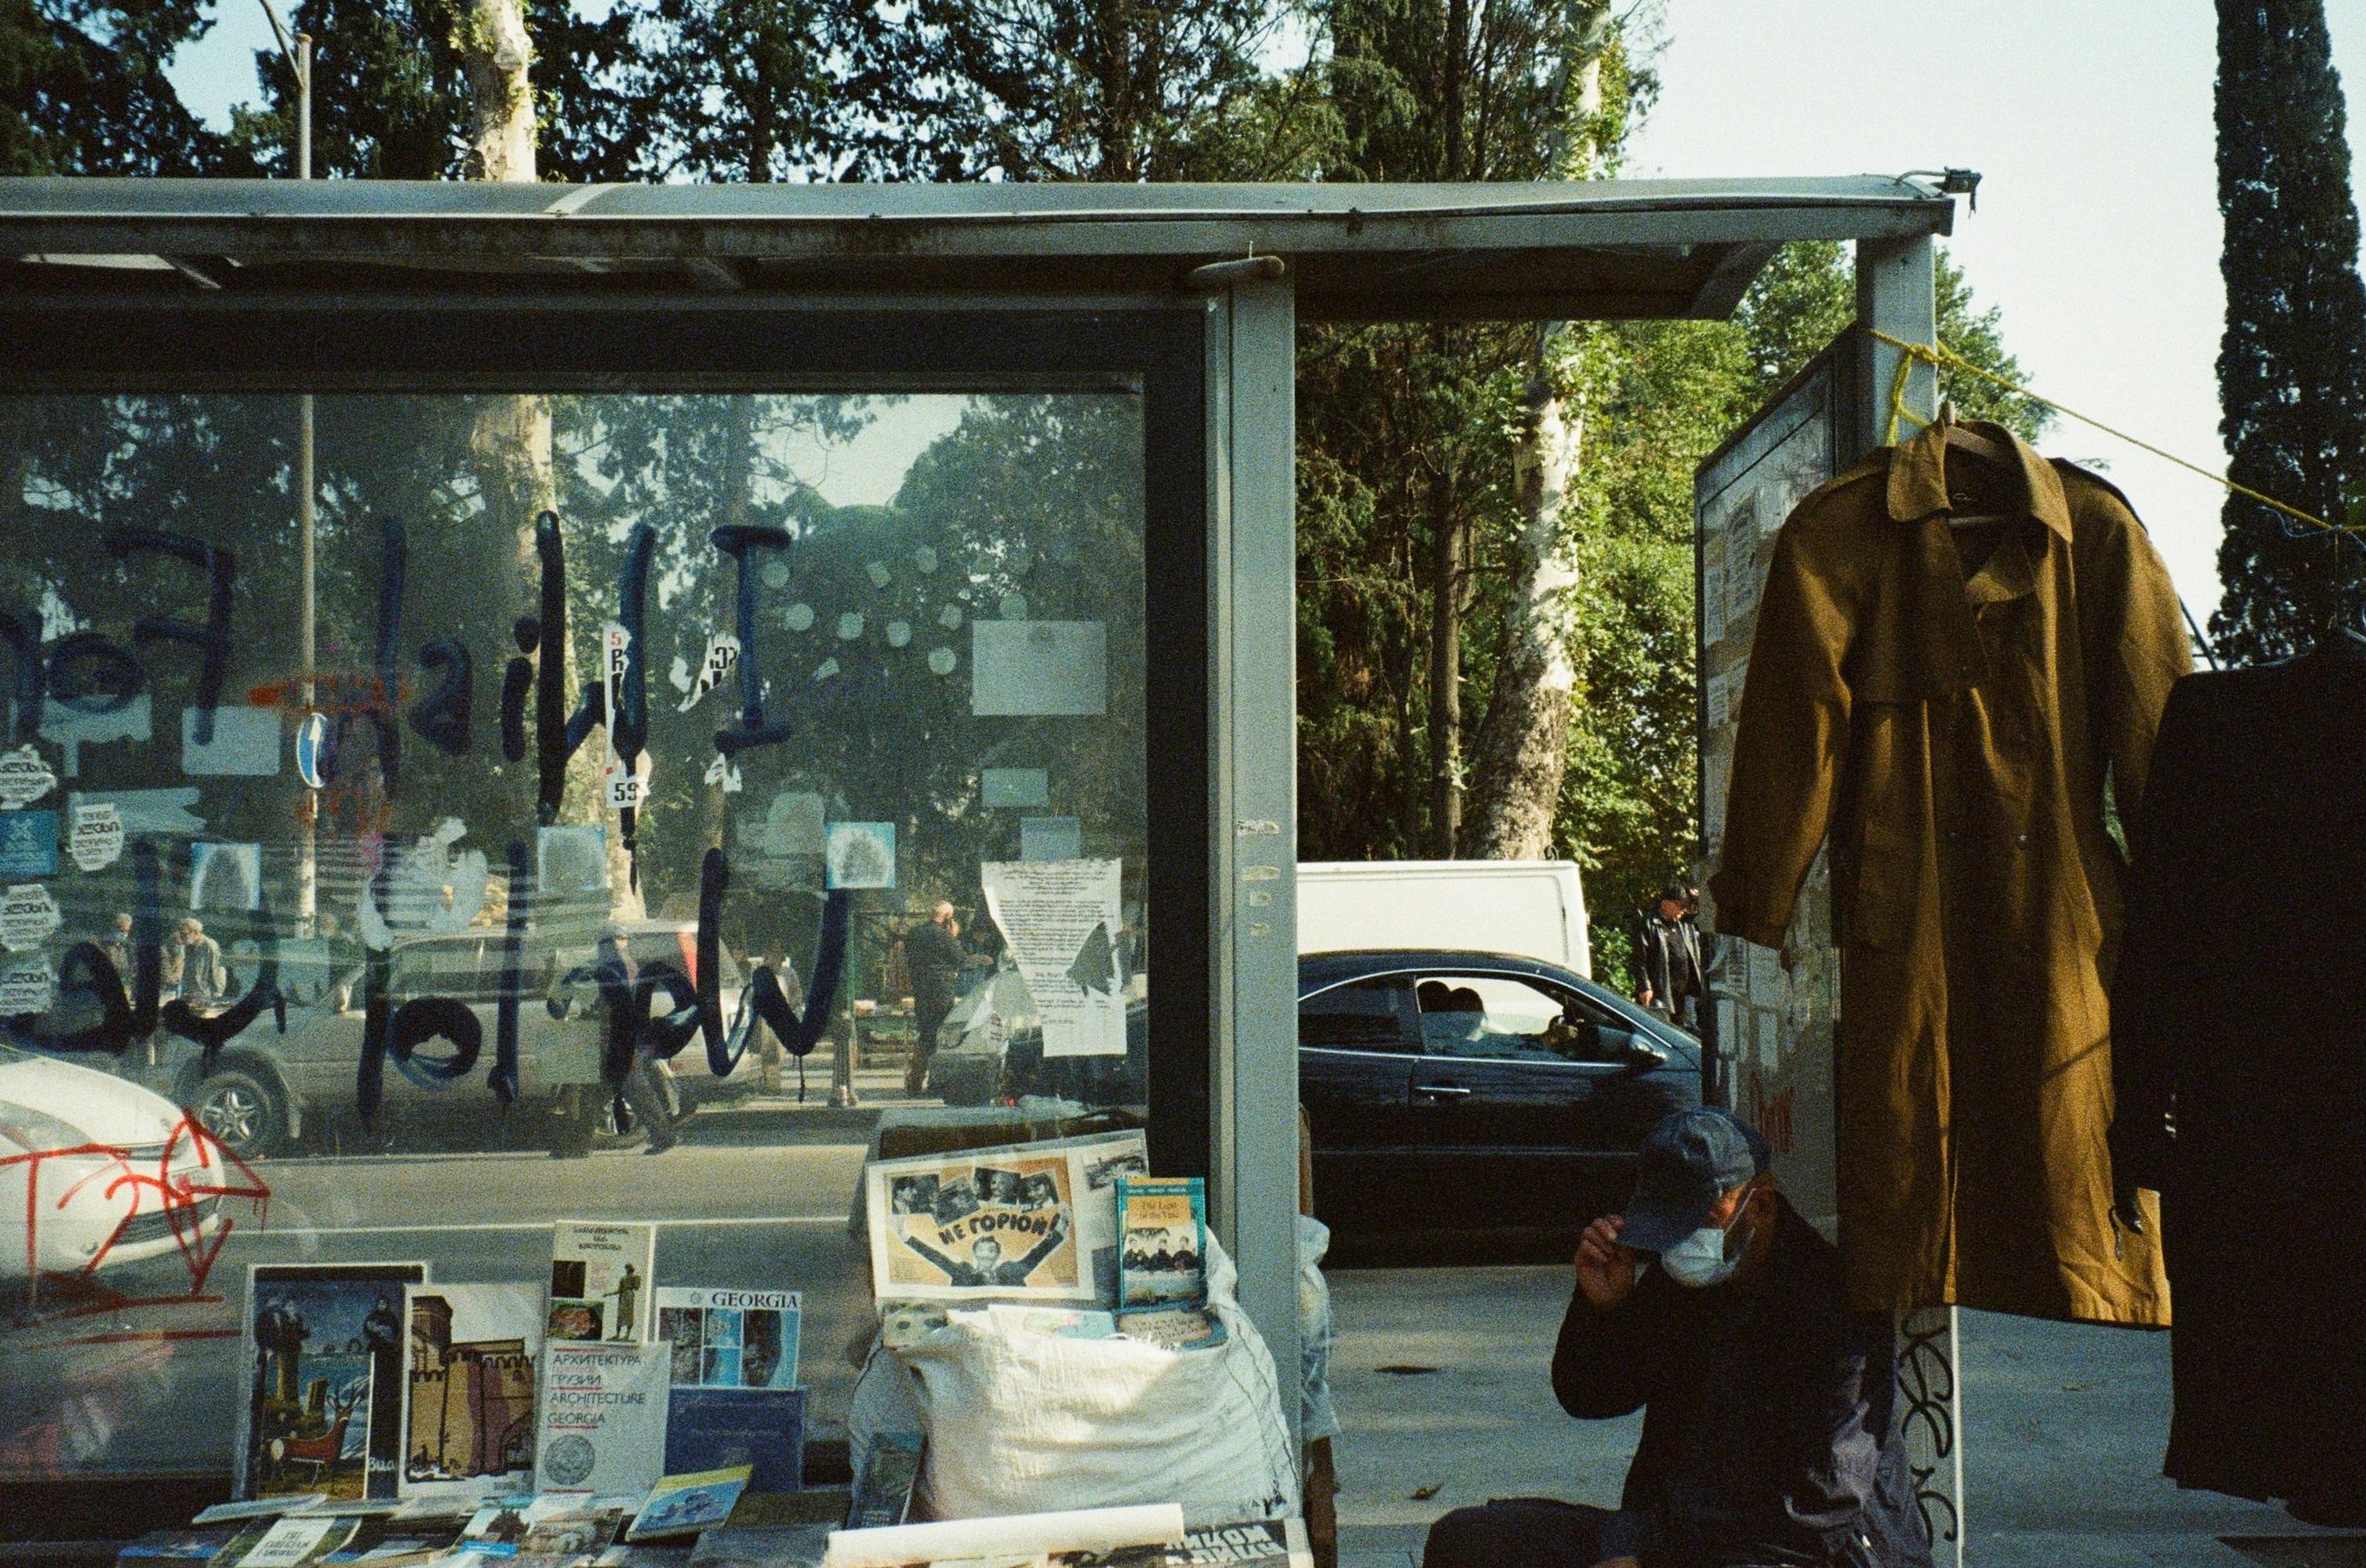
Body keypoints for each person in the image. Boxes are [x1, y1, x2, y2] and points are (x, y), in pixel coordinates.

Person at [1423, 1108, 1932, 1568]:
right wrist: (1602, 1308)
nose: (1685, 1244)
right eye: (1669, 1228)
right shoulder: (1685, 1278)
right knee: (1471, 1542)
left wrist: (1650, 1556)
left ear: (1760, 1206)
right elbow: (1592, 1396)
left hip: (1806, 1550)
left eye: (1701, 1223)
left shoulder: (1830, 1304)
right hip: (1675, 1534)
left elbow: (1819, 1507)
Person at [905, 899, 966, 1096]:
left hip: (921, 989)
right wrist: (953, 936)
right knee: (940, 1035)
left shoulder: (914, 934)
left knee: (925, 1034)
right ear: (948, 918)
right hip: (941, 989)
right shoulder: (944, 935)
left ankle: (915, 1081)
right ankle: (936, 1083)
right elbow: (960, 958)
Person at [1634, 882, 1705, 1029]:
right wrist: (1644, 987)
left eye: (1686, 906)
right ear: (1666, 903)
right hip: (1662, 993)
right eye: (1680, 905)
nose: (1684, 910)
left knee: (1687, 1033)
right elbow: (1639, 958)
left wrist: (1696, 897)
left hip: (1686, 995)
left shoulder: (1685, 923)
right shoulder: (1650, 923)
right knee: (1664, 1032)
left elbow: (1704, 911)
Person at [175, 917, 227, 1003]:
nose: (181, 937)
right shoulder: (187, 945)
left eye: (184, 934)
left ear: (196, 932)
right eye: (180, 934)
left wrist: (218, 993)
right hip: (187, 992)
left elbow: (218, 969)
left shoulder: (209, 946)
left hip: (204, 994)